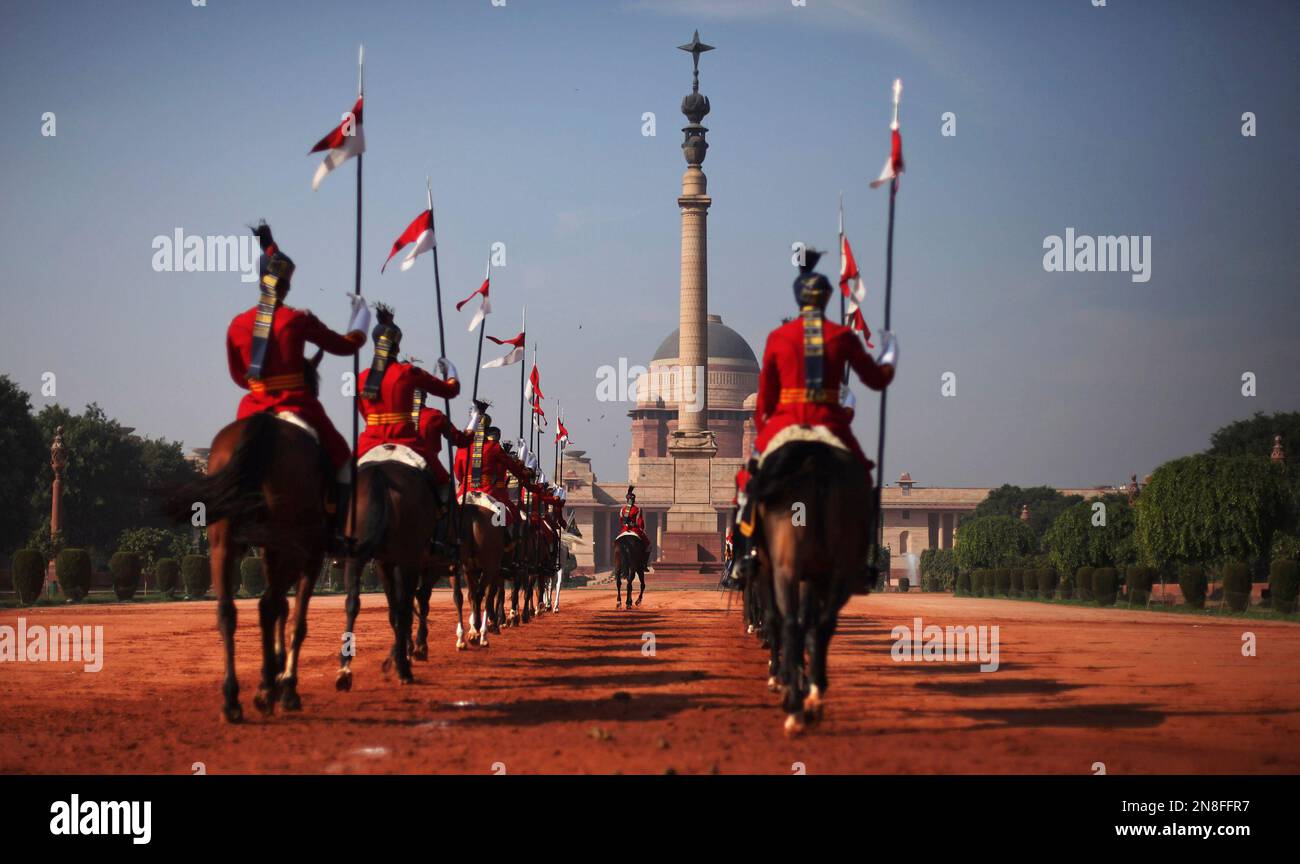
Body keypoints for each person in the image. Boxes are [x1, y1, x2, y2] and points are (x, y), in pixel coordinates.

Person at [730, 247, 896, 583]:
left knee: (747, 484)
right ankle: (859, 560)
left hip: (783, 427)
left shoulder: (779, 337)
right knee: (861, 480)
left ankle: (745, 555)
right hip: (828, 428)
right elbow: (877, 379)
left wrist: (763, 429)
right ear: (825, 300)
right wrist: (890, 351)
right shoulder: (842, 336)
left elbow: (763, 404)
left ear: (798, 300)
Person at [226, 221, 369, 549]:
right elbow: (346, 345)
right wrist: (361, 319)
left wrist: (259, 387)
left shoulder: (237, 323)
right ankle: (340, 532)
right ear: (287, 287)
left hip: (250, 408)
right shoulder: (297, 319)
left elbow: (239, 376)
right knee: (344, 460)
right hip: (297, 406)